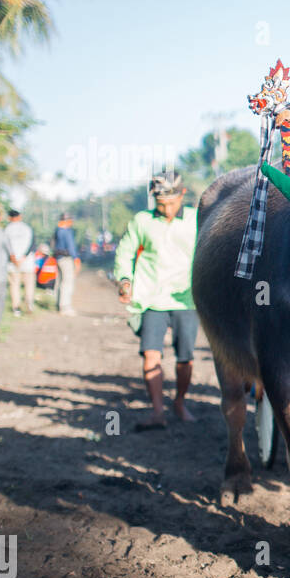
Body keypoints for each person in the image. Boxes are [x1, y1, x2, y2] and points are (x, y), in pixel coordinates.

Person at [113, 171, 200, 430]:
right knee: (151, 355)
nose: (167, 209)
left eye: (171, 203)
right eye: (161, 204)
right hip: (151, 298)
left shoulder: (197, 219)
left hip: (186, 300)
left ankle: (180, 402)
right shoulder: (142, 221)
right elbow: (125, 252)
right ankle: (157, 411)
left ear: (182, 195)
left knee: (185, 359)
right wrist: (125, 280)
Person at [3, 208, 35, 316]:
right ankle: (29, 303)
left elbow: (5, 246)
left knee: (14, 285)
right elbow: (32, 245)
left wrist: (14, 259)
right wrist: (23, 257)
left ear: (9, 218)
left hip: (13, 263)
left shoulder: (7, 229)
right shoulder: (27, 228)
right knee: (29, 284)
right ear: (20, 217)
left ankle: (16, 308)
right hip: (27, 262)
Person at [52, 211, 79, 314]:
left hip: (58, 257)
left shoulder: (57, 230)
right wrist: (76, 258)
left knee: (60, 281)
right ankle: (65, 307)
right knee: (67, 282)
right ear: (67, 220)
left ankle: (59, 304)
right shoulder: (66, 231)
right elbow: (71, 246)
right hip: (66, 258)